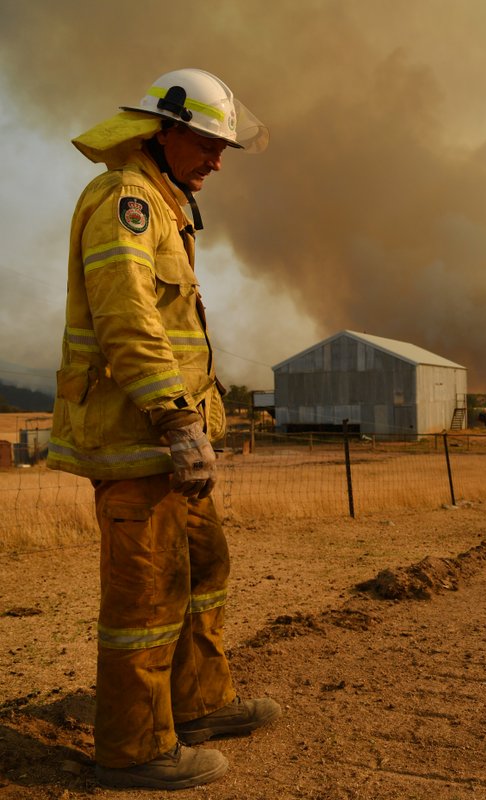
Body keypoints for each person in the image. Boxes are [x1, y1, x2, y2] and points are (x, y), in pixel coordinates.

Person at [47, 68, 279, 790]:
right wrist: (178, 420)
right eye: (208, 143)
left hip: (172, 439)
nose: (217, 159)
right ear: (164, 131)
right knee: (145, 595)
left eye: (224, 148)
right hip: (137, 438)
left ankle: (197, 705)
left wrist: (195, 426)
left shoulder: (166, 204)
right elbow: (128, 320)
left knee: (204, 567)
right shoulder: (125, 201)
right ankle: (134, 748)